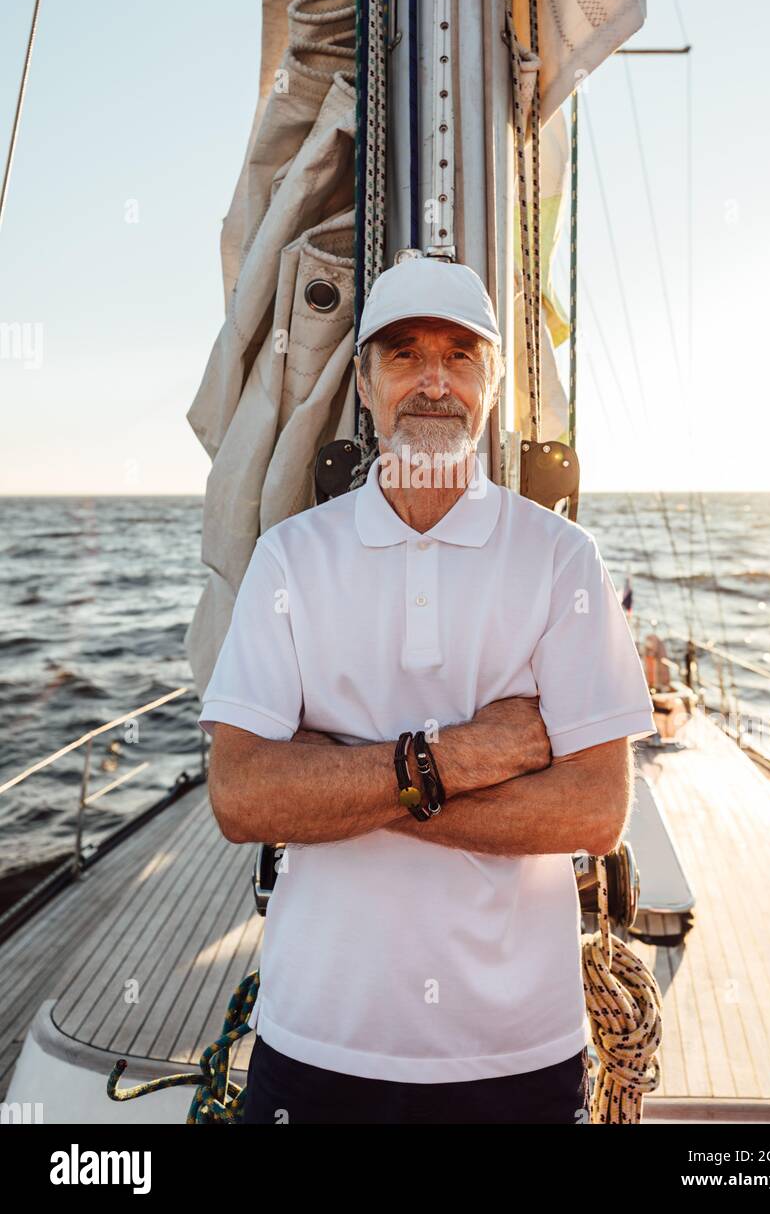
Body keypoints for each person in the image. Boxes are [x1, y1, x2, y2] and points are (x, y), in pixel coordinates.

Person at [199, 257, 656, 1124]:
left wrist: (341, 781)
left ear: (490, 384)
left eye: (460, 354)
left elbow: (594, 811)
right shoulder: (291, 559)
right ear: (366, 384)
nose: (433, 381)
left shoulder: (563, 563)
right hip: (313, 1044)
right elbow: (243, 794)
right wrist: (465, 756)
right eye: (405, 354)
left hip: (518, 1053)